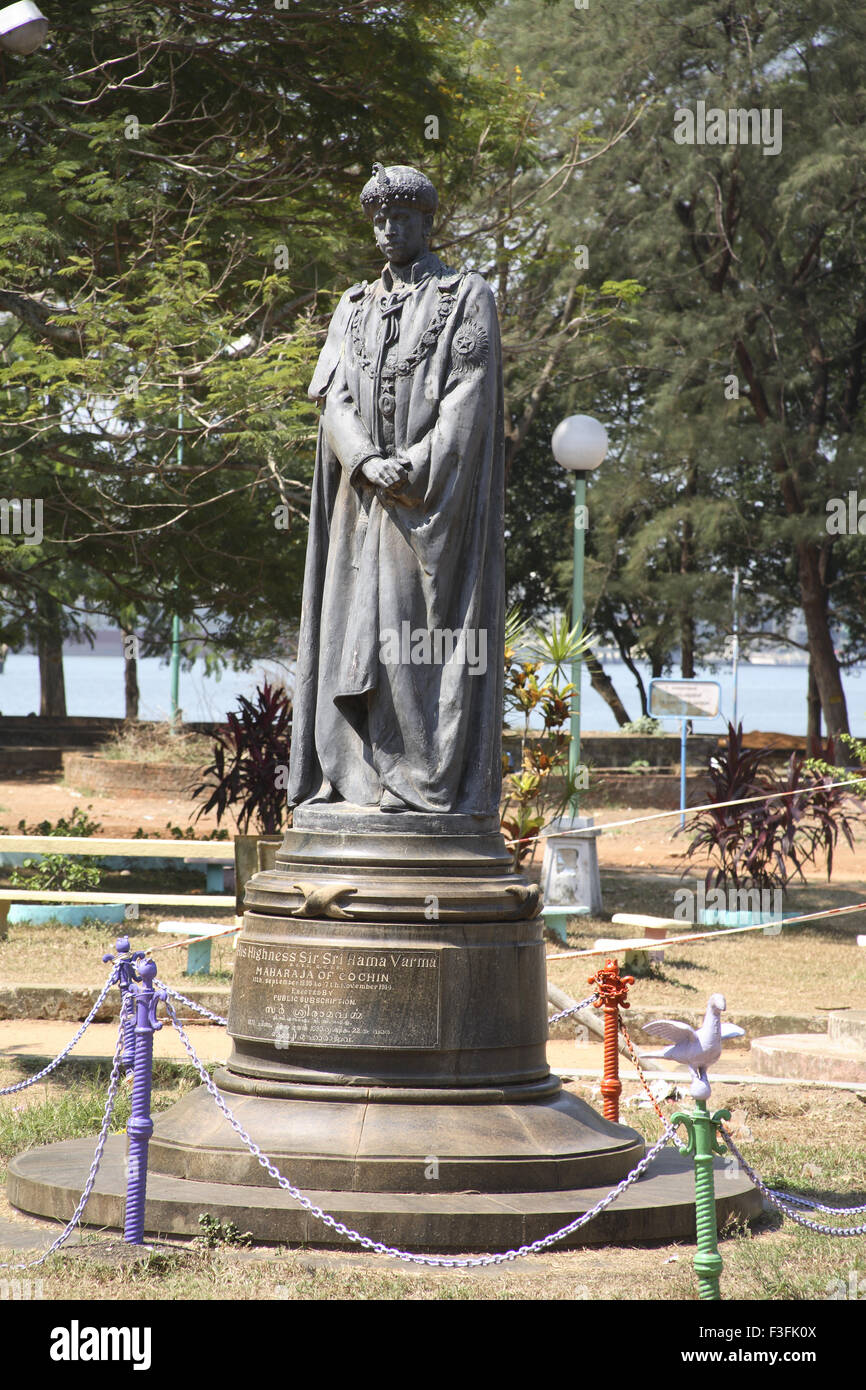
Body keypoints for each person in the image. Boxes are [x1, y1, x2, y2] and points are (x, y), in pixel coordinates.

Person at [286, 163, 505, 815]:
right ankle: (357, 776)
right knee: (356, 632)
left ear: (426, 222)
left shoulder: (466, 296)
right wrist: (362, 459)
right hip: (363, 504)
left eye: (400, 218)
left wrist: (410, 466)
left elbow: (469, 393)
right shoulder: (353, 306)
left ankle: (416, 774)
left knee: (411, 634)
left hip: (430, 505)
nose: (387, 230)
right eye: (378, 220)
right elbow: (334, 398)